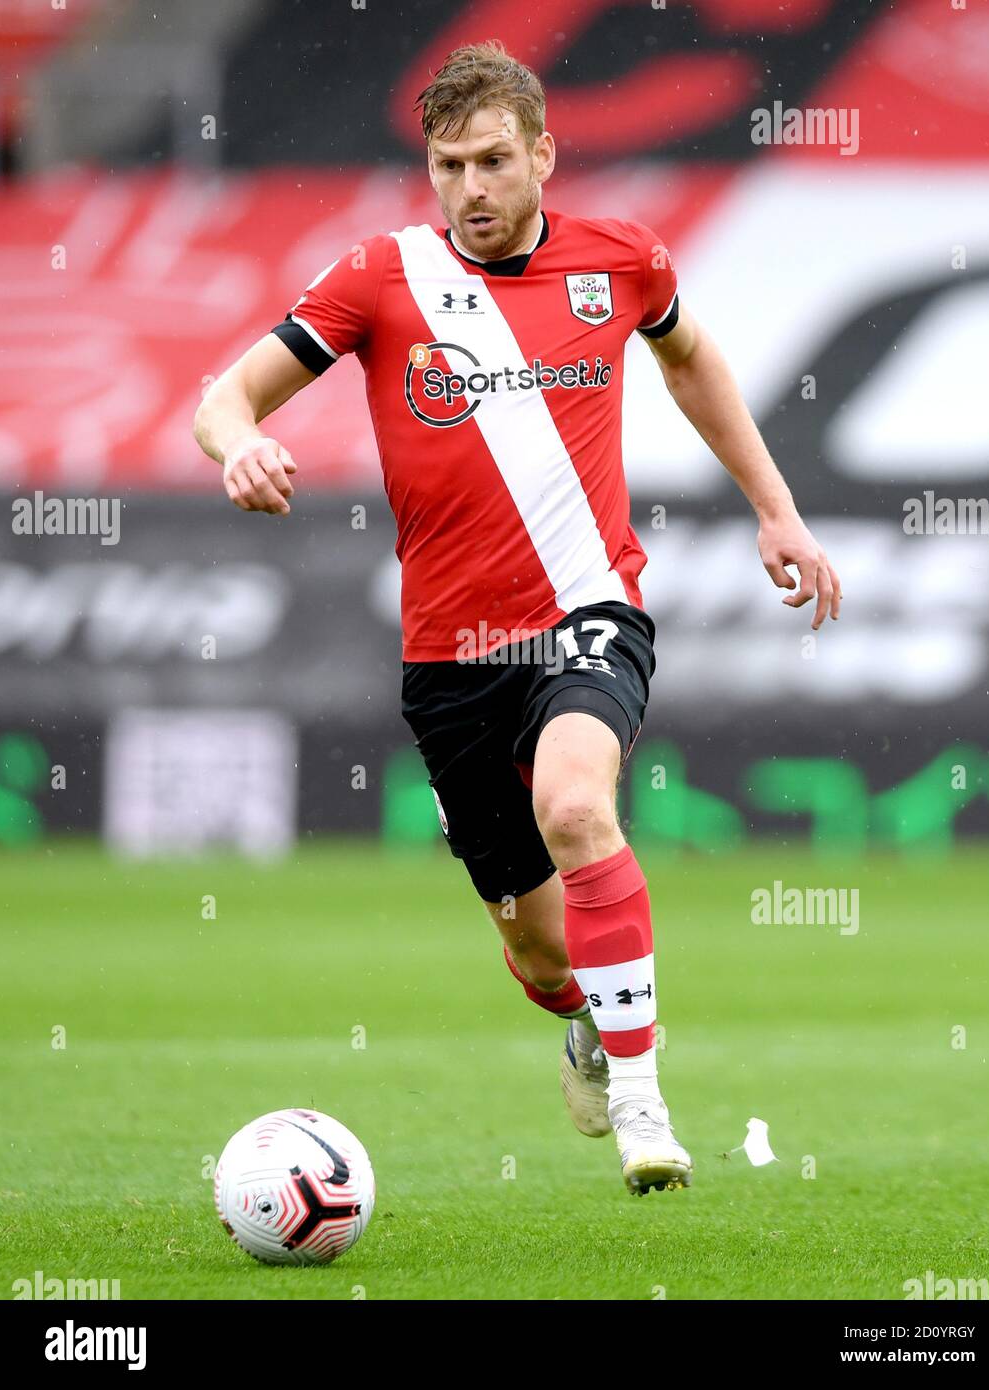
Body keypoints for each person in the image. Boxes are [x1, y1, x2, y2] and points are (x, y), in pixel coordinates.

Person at [193, 39, 842, 1196]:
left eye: (493, 161)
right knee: (541, 952)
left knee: (578, 803)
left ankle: (645, 1106)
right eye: (448, 166)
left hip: (590, 612)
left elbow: (691, 360)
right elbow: (225, 393)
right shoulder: (379, 276)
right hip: (450, 656)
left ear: (543, 152)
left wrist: (775, 510)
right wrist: (241, 443)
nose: (471, 190)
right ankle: (587, 1019)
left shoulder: (622, 259)